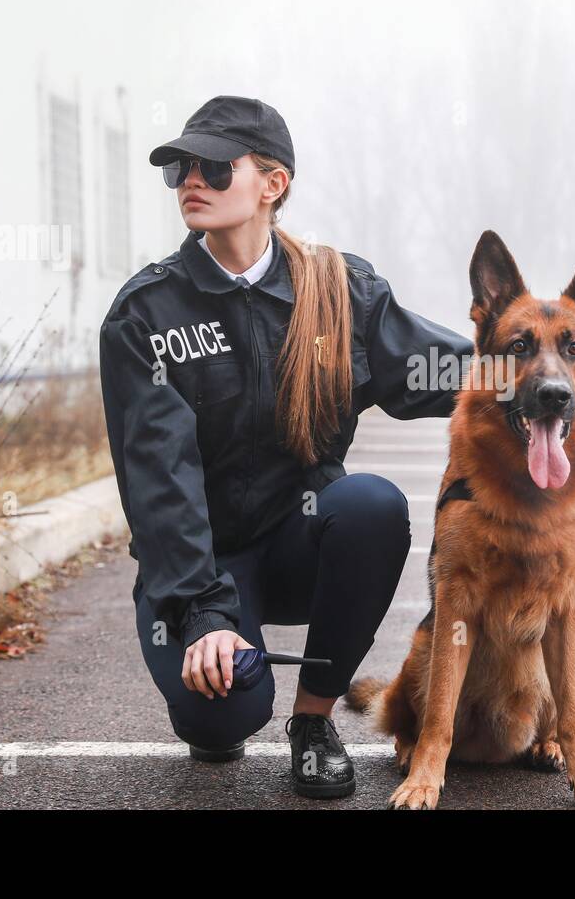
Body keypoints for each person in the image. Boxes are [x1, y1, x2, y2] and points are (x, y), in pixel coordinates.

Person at [98, 95, 473, 799]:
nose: (190, 181)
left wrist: (545, 387)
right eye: (179, 168)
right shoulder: (147, 313)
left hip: (300, 540)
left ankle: (312, 722)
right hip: (203, 563)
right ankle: (219, 696)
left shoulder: (340, 292)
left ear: (274, 184)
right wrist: (205, 615)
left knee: (371, 505)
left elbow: (457, 374)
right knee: (224, 716)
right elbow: (159, 481)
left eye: (213, 165)